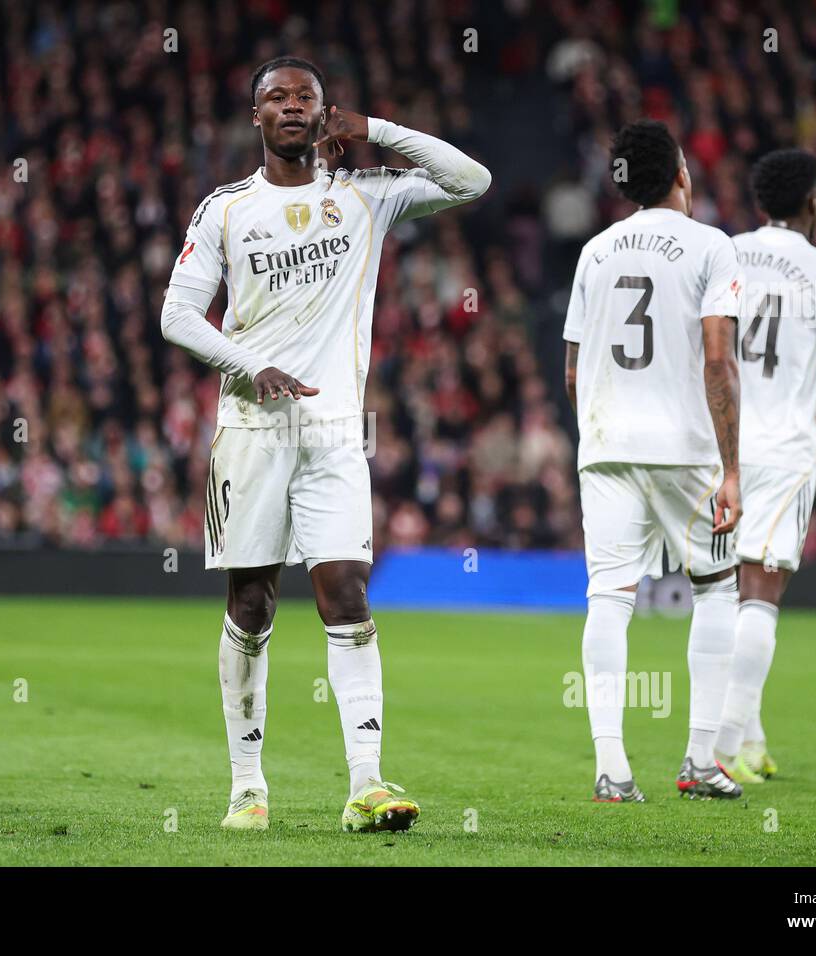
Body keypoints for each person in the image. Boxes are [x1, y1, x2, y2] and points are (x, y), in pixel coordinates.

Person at [159, 56, 490, 832]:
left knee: (346, 594)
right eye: (275, 98)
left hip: (337, 433)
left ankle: (367, 784)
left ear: (324, 111)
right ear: (256, 118)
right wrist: (250, 364)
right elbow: (176, 314)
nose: (291, 108)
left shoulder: (364, 196)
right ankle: (247, 786)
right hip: (249, 433)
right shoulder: (225, 210)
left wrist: (376, 130)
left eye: (304, 97)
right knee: (252, 602)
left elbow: (472, 180)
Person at [564, 119, 743, 802]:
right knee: (717, 586)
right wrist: (731, 468)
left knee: (607, 599)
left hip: (606, 445)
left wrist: (598, 440)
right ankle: (699, 761)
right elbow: (719, 360)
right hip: (685, 446)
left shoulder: (594, 252)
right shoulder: (712, 246)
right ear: (681, 177)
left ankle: (611, 769)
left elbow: (575, 373)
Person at [713, 149, 816, 784]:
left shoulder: (725, 251)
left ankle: (749, 741)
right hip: (785, 449)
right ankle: (715, 752)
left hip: (719, 446)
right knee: (763, 595)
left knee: (726, 595)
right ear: (812, 203)